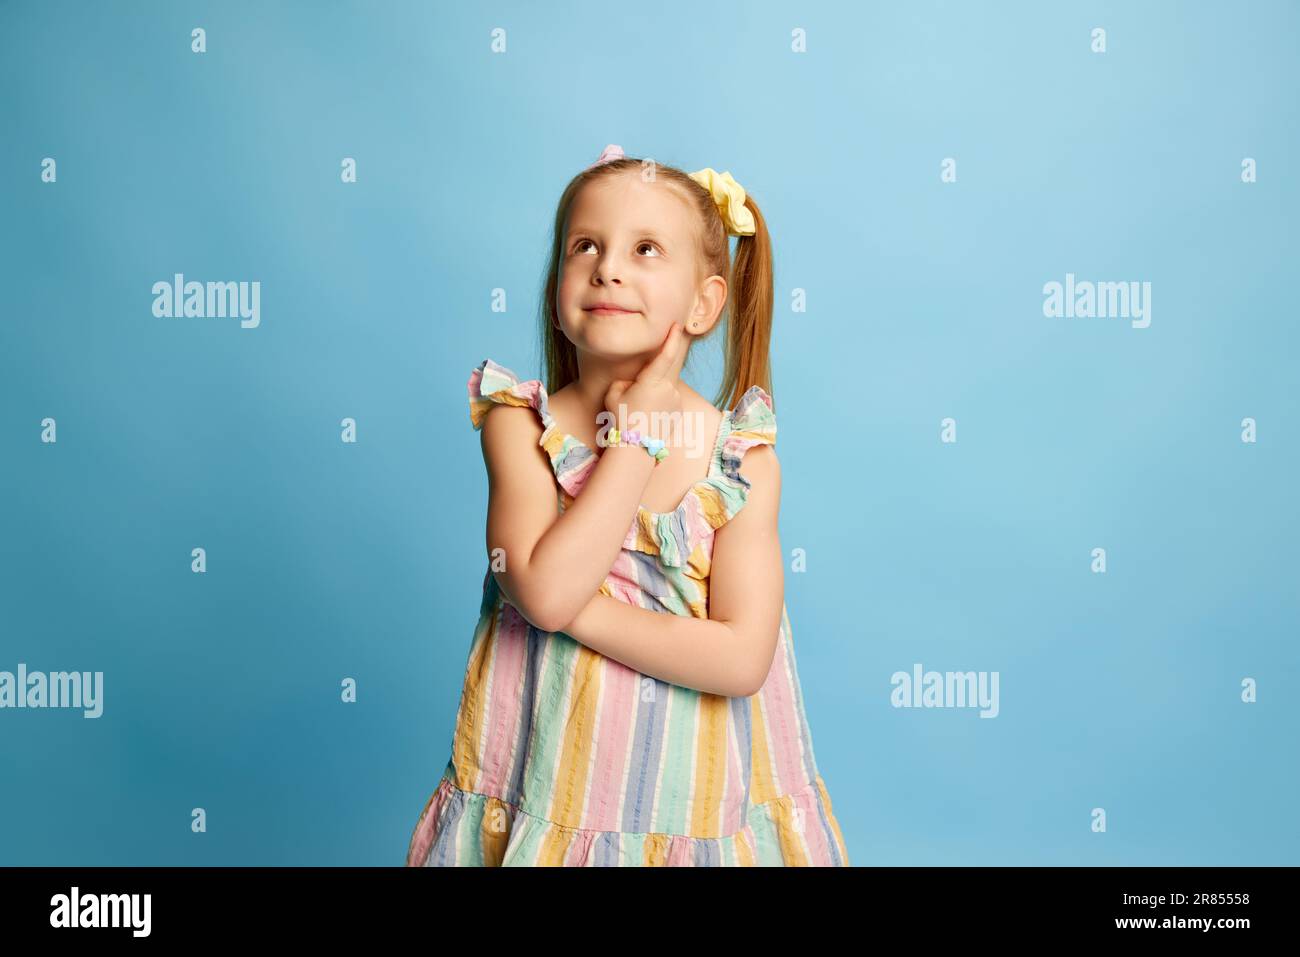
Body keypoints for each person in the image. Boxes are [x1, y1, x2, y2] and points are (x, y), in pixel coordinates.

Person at [405, 145, 849, 866]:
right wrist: (634, 440)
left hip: (690, 810)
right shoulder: (522, 427)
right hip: (548, 798)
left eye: (645, 249)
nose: (608, 266)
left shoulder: (737, 461)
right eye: (586, 246)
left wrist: (567, 608)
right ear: (556, 283)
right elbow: (543, 590)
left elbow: (740, 657)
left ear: (703, 303)